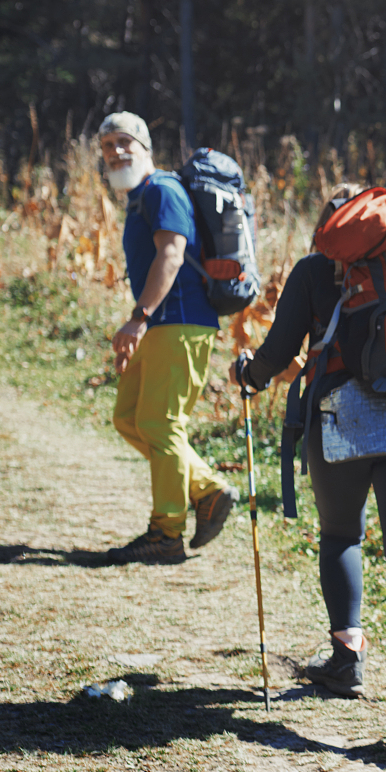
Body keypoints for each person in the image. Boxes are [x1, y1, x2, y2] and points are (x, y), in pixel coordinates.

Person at [231, 184, 386, 747]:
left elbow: (278, 354)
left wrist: (248, 375)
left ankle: (346, 657)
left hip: (341, 420)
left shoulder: (316, 269)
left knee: (341, 537)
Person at [88, 111, 237, 565]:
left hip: (182, 321)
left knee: (162, 423)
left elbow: (171, 254)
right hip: (159, 324)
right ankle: (206, 490)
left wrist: (139, 317)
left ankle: (166, 531)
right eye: (107, 145)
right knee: (131, 418)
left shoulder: (163, 190)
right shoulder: (139, 198)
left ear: (145, 146)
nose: (115, 151)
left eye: (123, 142)